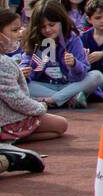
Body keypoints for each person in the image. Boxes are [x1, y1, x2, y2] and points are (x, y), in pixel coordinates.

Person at [0, 8, 67, 153]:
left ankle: (11, 137)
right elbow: (15, 99)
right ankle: (9, 136)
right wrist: (40, 107)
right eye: (14, 30)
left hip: (11, 113)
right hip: (8, 119)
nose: (19, 34)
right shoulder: (3, 62)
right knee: (60, 125)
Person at [20, 0, 103, 108]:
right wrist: (22, 72)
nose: (47, 30)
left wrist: (74, 64)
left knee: (97, 76)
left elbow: (82, 74)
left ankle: (52, 100)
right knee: (20, 84)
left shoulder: (72, 39)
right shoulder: (36, 41)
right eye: (43, 27)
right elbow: (27, 66)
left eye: (51, 25)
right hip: (45, 86)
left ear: (61, 22)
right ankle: (67, 99)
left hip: (71, 85)